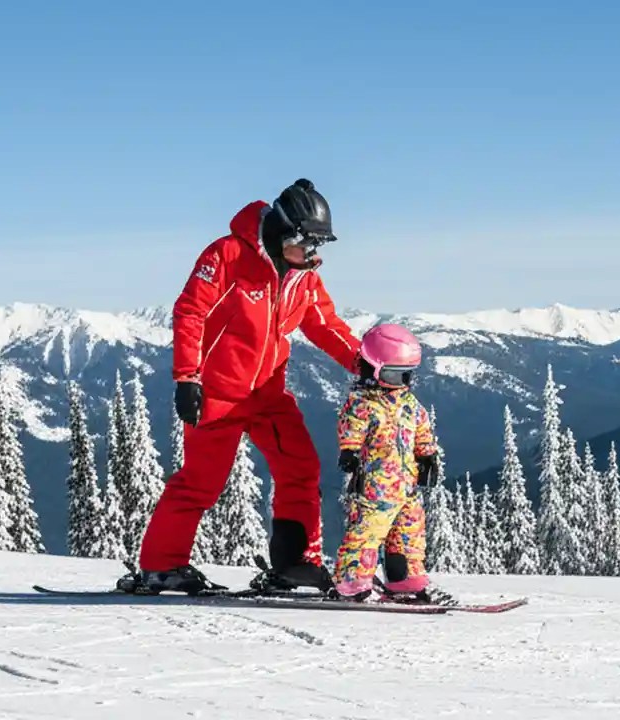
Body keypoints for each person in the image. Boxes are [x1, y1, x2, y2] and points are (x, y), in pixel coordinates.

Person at [121, 179, 361, 595]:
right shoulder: (228, 255)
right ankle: (162, 566)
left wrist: (367, 365)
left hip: (268, 395)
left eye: (317, 247)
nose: (312, 256)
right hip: (218, 392)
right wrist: (187, 378)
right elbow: (191, 311)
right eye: (306, 245)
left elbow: (324, 325)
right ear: (282, 233)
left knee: (301, 468)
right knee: (201, 480)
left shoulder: (302, 277)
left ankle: (297, 565)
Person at [331, 323, 450, 604]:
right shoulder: (363, 402)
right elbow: (351, 426)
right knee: (368, 530)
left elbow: (421, 427)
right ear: (372, 369)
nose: (401, 383)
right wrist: (349, 452)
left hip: (407, 485)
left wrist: (427, 454)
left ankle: (403, 576)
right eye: (394, 375)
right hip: (376, 485)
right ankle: (353, 579)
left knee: (409, 529)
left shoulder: (408, 403)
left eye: (406, 375)